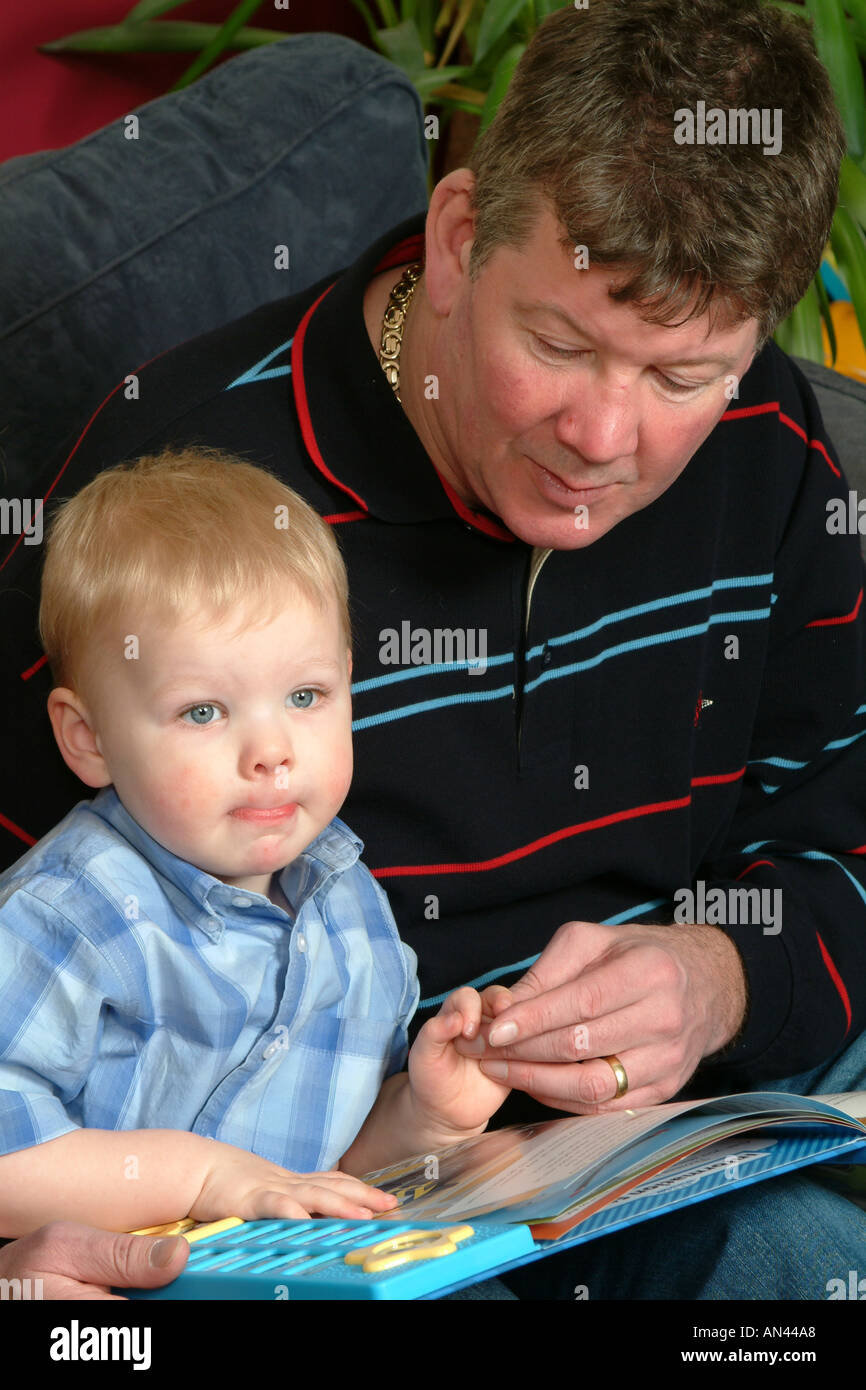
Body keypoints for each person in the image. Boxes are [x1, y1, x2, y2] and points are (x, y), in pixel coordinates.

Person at [1, 0, 865, 1297]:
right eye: (556, 344)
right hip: (346, 1220)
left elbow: (836, 843)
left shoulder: (773, 453)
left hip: (667, 1144)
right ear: (459, 238)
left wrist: (724, 975)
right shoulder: (179, 504)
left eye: (682, 376)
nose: (601, 434)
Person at [0, 449, 511, 1239]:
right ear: (89, 737)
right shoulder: (69, 917)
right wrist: (201, 1177)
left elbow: (317, 1181)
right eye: (204, 712)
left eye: (305, 696)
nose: (271, 751)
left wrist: (424, 1118)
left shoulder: (350, 908)